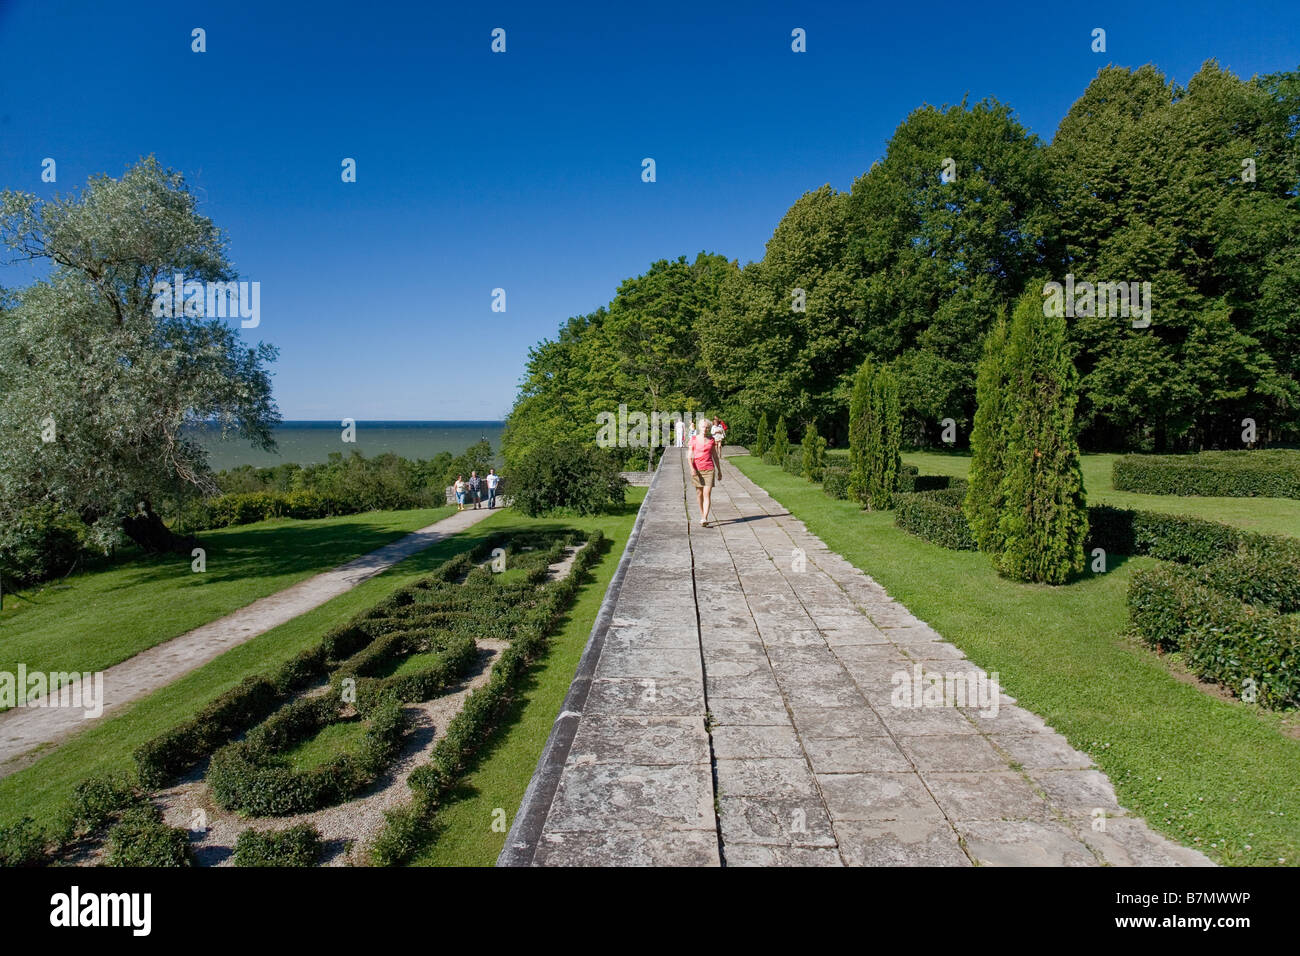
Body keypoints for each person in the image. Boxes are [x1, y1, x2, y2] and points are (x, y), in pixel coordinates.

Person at [689, 416, 722, 527]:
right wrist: (692, 469)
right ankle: (702, 514)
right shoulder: (693, 439)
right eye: (703, 427)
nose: (705, 429)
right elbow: (690, 457)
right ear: (699, 427)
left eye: (707, 427)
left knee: (707, 493)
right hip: (697, 469)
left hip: (709, 469)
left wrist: (719, 471)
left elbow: (715, 456)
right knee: (699, 493)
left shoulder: (711, 441)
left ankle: (704, 518)